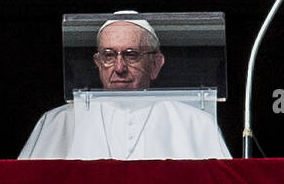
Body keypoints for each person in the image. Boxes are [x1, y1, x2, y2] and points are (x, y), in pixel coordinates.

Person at [18, 17, 231, 160]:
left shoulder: (194, 122)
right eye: (109, 55)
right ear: (98, 62)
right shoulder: (59, 121)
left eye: (131, 54)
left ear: (155, 64)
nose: (119, 67)